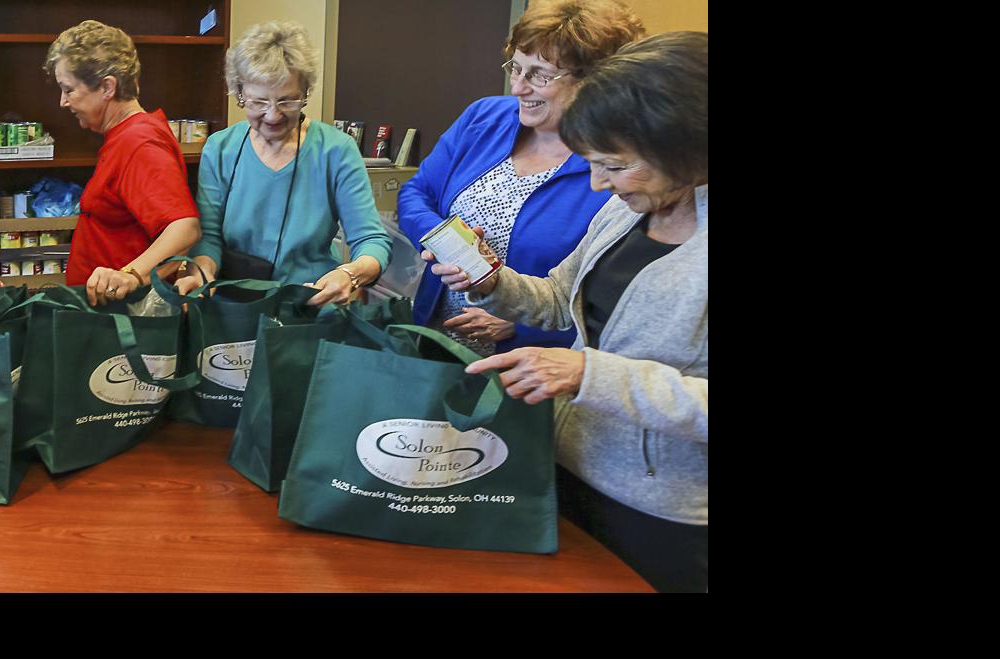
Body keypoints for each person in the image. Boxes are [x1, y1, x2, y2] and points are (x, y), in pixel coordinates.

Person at [427, 32, 708, 592]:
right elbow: (560, 296)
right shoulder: (625, 209)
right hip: (565, 465)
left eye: (616, 165)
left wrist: (589, 373)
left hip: (663, 511)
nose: (599, 183)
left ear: (687, 149)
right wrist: (493, 282)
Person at [398, 0, 644, 356]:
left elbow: (608, 299)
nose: (518, 88)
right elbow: (416, 193)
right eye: (516, 68)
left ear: (595, 80)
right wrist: (449, 245)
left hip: (529, 365)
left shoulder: (613, 170)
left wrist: (522, 322)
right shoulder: (484, 118)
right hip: (436, 339)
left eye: (539, 75)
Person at [179, 20, 388, 305]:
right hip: (232, 307)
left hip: (309, 305)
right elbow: (209, 237)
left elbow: (372, 240)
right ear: (239, 93)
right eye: (258, 102)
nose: (273, 116)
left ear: (306, 93)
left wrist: (350, 274)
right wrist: (200, 274)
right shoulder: (220, 148)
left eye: (288, 101)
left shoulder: (336, 150)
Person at [47, 20, 201, 307]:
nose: (62, 102)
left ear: (107, 87)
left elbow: (184, 228)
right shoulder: (124, 137)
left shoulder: (139, 143)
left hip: (127, 319)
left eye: (68, 90)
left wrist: (132, 275)